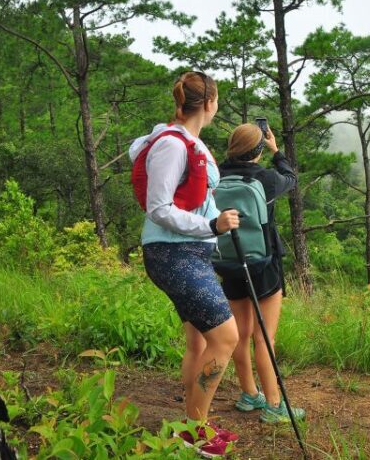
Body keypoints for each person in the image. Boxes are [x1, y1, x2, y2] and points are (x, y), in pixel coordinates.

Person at [129, 71, 240, 457]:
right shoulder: (173, 146)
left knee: (199, 340)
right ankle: (196, 433)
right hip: (173, 253)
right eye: (218, 100)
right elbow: (159, 208)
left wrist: (210, 226)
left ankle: (195, 427)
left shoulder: (187, 142)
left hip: (189, 252)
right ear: (209, 103)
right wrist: (210, 224)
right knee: (226, 337)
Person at [215, 123, 306, 423]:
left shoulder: (217, 176)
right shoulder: (265, 178)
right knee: (265, 336)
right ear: (257, 150)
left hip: (230, 262)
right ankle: (275, 405)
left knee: (240, 335)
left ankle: (249, 394)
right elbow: (291, 178)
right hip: (263, 265)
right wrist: (276, 150)